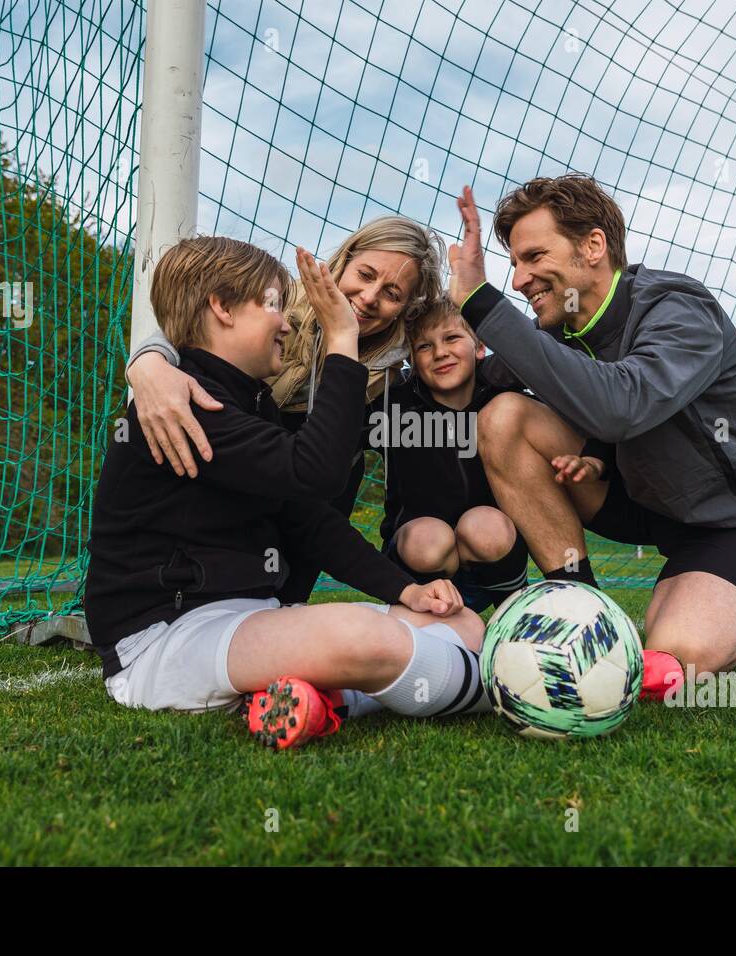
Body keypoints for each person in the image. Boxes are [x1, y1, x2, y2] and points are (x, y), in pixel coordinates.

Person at [84, 236, 489, 751]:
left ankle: (325, 700)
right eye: (273, 305)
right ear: (221, 308)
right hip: (166, 639)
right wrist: (343, 336)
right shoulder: (187, 401)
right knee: (362, 638)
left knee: (461, 622)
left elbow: (310, 521)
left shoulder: (249, 401)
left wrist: (406, 590)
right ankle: (517, 685)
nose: (287, 320)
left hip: (251, 615)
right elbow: (314, 474)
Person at [446, 173, 736, 685]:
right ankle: (581, 610)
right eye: (514, 264)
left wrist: (482, 303)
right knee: (502, 416)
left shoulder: (679, 308)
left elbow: (621, 406)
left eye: (534, 257)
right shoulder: (560, 331)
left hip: (732, 519)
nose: (520, 280)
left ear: (593, 245)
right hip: (642, 500)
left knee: (665, 665)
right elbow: (472, 382)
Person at [124, 216, 447, 602]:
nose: (369, 296)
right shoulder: (277, 302)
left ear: (406, 309)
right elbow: (194, 318)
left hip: (307, 475)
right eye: (365, 274)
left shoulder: (393, 371)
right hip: (241, 448)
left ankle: (289, 596)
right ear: (345, 260)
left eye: (393, 293)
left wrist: (407, 587)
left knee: (340, 467)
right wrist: (148, 363)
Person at [374, 300, 530, 611]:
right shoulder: (394, 406)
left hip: (492, 550)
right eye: (423, 346)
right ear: (412, 361)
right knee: (428, 539)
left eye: (452, 338)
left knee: (484, 525)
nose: (440, 352)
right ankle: (428, 612)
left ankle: (513, 611)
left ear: (481, 347)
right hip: (420, 557)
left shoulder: (504, 400)